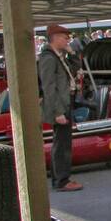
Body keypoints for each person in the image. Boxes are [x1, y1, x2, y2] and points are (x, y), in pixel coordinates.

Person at [39, 23, 82, 192]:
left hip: (65, 103)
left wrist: (72, 53)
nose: (67, 41)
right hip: (59, 106)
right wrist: (57, 112)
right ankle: (61, 180)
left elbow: (75, 67)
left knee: (64, 142)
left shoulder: (59, 56)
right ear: (55, 38)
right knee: (61, 144)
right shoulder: (48, 59)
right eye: (65, 38)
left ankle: (62, 178)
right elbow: (49, 87)